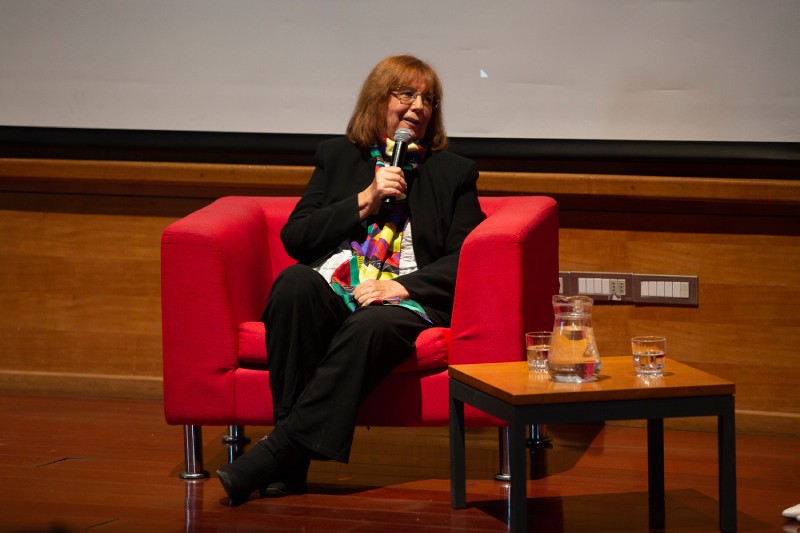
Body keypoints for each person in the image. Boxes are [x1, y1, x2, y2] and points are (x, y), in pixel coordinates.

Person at [216, 54, 485, 504]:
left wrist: (400, 287)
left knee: (372, 323)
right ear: (378, 99)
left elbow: (469, 258)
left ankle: (278, 453)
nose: (419, 107)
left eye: (429, 100)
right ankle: (289, 459)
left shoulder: (453, 173)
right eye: (407, 94)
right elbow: (297, 237)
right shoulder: (338, 157)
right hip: (338, 284)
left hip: (403, 296)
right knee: (294, 286)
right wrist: (367, 198)